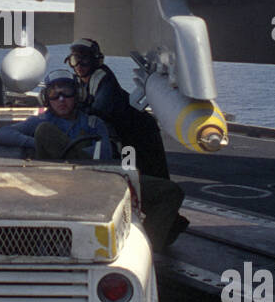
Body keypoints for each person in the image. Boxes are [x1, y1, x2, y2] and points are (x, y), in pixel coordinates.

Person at [65, 37, 189, 248]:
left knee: (148, 178)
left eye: (83, 61)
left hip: (141, 135)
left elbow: (100, 110)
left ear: (96, 61)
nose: (78, 66)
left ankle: (167, 228)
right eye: (74, 61)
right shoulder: (84, 81)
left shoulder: (104, 79)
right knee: (139, 181)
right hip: (125, 136)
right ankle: (169, 225)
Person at [0, 69, 111, 161]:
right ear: (46, 98)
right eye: (54, 94)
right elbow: (2, 134)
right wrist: (37, 143)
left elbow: (105, 154)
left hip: (84, 172)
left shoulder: (92, 123)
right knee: (44, 130)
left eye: (67, 93)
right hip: (51, 175)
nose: (61, 99)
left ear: (78, 95)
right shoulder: (42, 121)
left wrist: (64, 146)